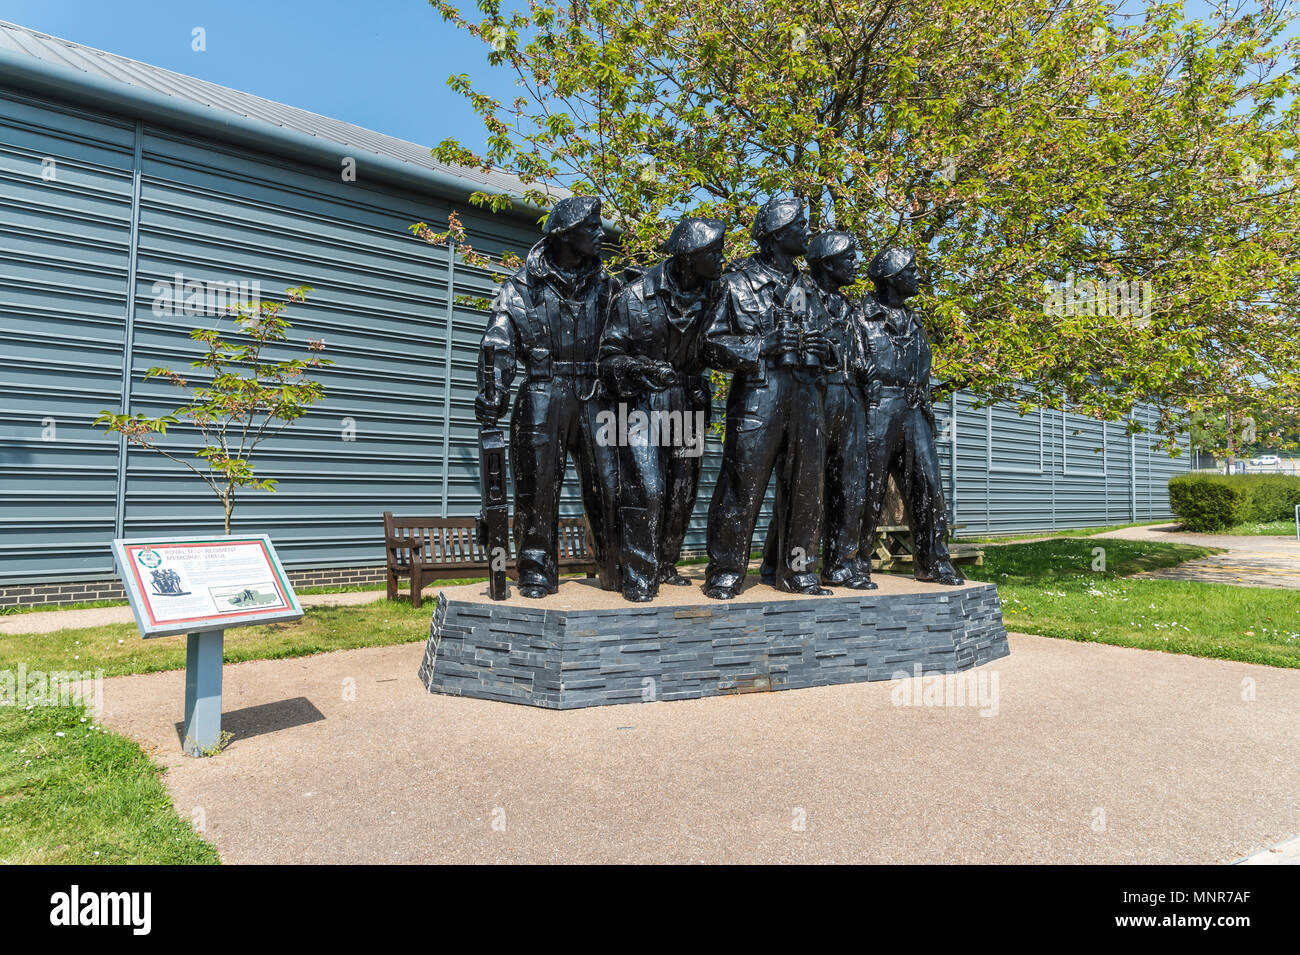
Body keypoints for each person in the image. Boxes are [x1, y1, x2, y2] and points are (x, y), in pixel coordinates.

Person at [474, 196, 622, 598]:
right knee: (536, 489)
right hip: (542, 391)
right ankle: (536, 570)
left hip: (597, 395)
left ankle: (615, 566)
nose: (600, 233)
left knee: (610, 485)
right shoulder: (521, 287)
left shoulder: (610, 287)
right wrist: (494, 391)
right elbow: (498, 342)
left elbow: (628, 340)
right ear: (564, 235)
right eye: (590, 227)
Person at [701, 198, 835, 600]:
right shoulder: (735, 284)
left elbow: (834, 346)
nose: (807, 233)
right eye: (800, 226)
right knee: (742, 484)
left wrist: (823, 349)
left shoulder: (809, 288)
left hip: (806, 396)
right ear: (778, 235)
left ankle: (797, 571)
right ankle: (725, 571)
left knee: (805, 487)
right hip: (759, 395)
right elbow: (709, 345)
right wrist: (762, 345)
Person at [599, 217, 725, 601]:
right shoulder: (635, 296)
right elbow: (607, 360)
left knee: (682, 490)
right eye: (714, 252)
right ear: (689, 258)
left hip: (688, 401)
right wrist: (639, 370)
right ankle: (639, 573)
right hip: (642, 404)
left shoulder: (716, 294)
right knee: (646, 488)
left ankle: (666, 563)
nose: (722, 258)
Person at [760, 230, 875, 589]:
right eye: (849, 257)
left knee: (850, 486)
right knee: (804, 488)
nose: (856, 264)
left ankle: (842, 564)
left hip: (850, 399)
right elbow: (789, 339)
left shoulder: (851, 307)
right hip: (814, 395)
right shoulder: (800, 295)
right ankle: (779, 563)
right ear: (827, 263)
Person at [857, 247, 964, 586]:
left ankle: (933, 561)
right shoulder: (860, 316)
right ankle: (856, 563)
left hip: (914, 407)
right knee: (866, 489)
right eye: (912, 270)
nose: (918, 276)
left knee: (929, 487)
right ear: (892, 277)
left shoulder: (914, 320)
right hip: (875, 407)